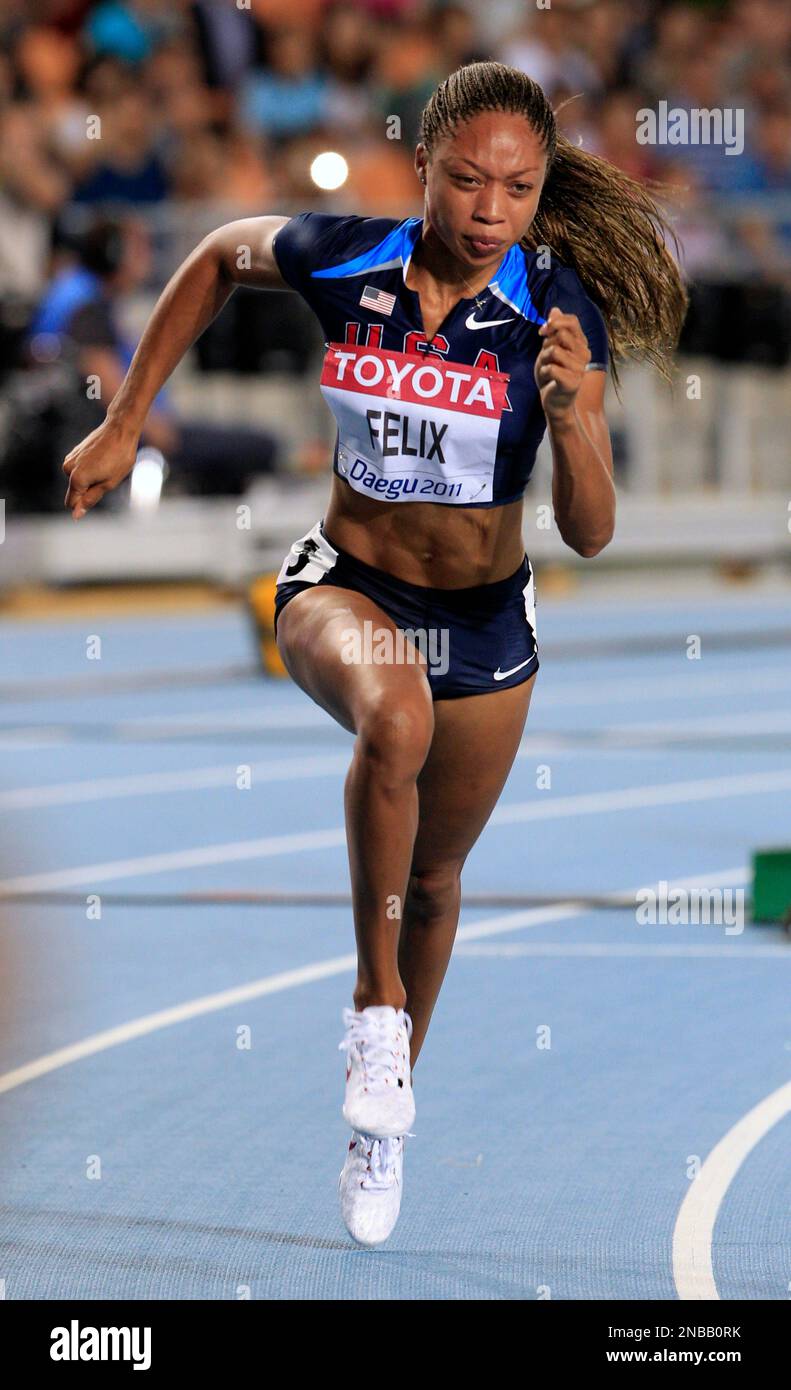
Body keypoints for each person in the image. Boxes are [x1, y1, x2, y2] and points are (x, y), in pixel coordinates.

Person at [61, 61, 687, 1248]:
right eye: (463, 181)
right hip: (342, 585)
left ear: (539, 189)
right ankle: (372, 1006)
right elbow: (209, 260)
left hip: (487, 619)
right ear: (423, 170)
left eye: (514, 186)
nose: (487, 207)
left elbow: (591, 533)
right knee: (393, 720)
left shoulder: (556, 309)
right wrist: (126, 416)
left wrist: (576, 420)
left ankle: (379, 1111)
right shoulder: (341, 257)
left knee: (439, 882)